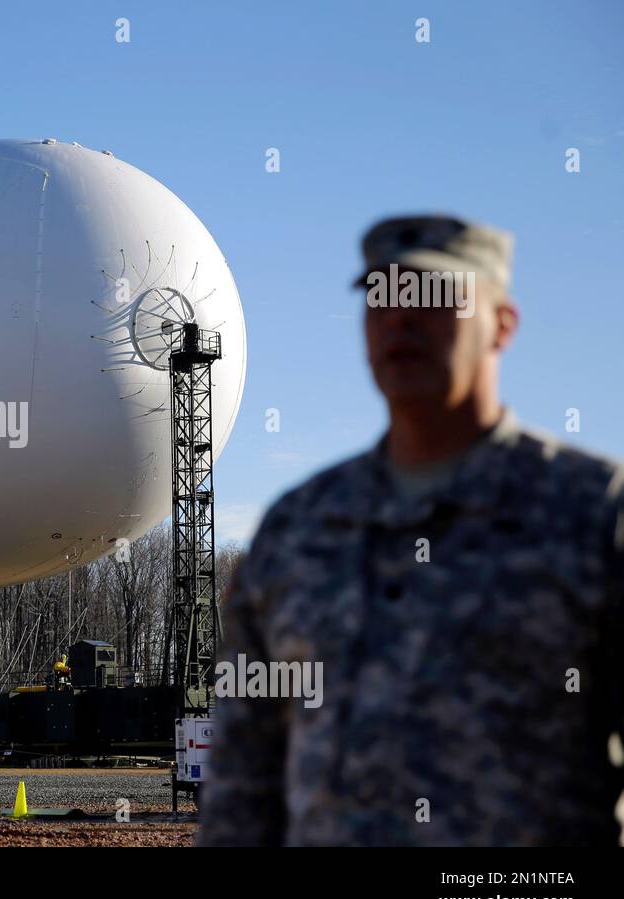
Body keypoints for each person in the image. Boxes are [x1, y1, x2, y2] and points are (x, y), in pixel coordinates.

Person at [199, 215, 624, 845]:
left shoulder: (590, 513)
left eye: (434, 296)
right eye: (382, 296)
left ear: (502, 325)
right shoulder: (297, 530)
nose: (402, 316)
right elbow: (243, 776)